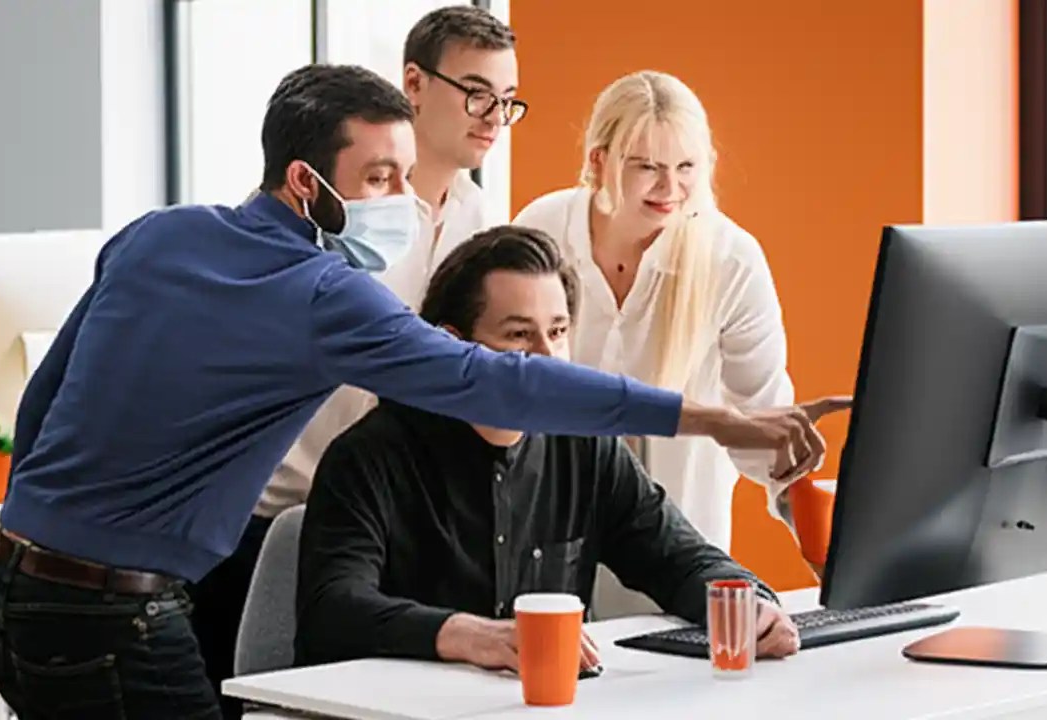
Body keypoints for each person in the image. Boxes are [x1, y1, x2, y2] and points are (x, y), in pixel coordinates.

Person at [0, 63, 838, 719]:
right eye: (382, 179)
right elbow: (495, 383)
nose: (404, 201)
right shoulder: (327, 297)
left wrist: (18, 533)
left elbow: (44, 400)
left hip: (14, 596)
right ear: (305, 184)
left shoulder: (159, 234)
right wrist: (711, 416)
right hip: (117, 622)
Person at [189, 7, 525, 716]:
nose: (493, 115)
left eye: (506, 100)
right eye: (475, 92)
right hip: (272, 514)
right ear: (414, 83)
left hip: (393, 537)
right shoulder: (334, 217)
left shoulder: (486, 227)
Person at [293, 226, 803, 672]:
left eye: (558, 333)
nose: (547, 360)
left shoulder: (588, 447)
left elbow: (680, 559)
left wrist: (749, 606)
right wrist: (470, 636)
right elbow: (334, 610)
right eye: (519, 336)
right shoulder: (369, 456)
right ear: (449, 346)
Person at [512, 70, 817, 618]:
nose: (669, 188)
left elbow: (760, 416)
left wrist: (817, 527)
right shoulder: (541, 229)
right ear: (600, 161)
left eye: (685, 168)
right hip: (545, 548)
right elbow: (510, 382)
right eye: (647, 168)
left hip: (674, 550)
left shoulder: (730, 259)